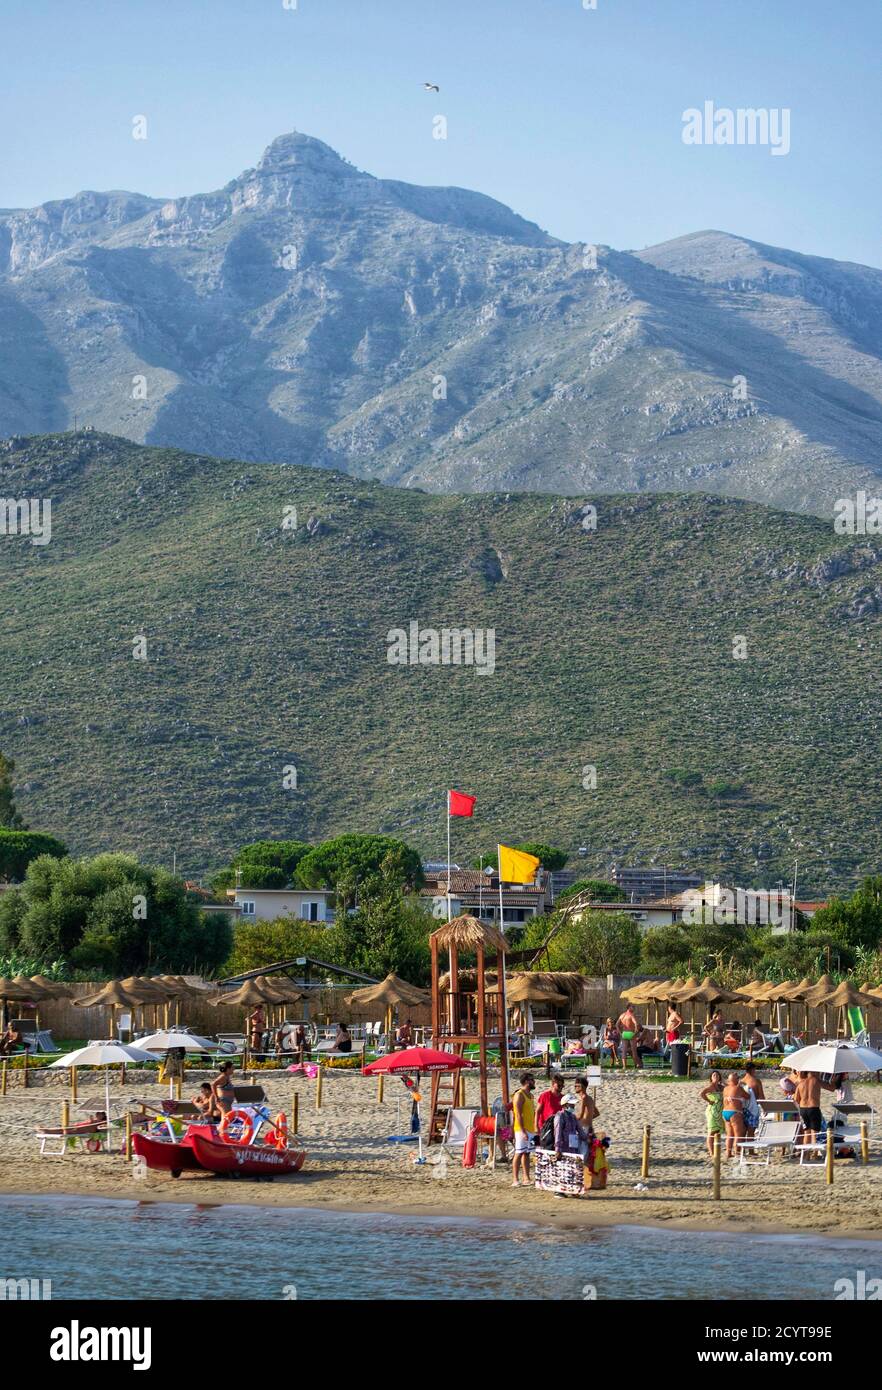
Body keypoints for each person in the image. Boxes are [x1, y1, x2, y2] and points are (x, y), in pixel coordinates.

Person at [553, 1093, 590, 1195]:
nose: (573, 1107)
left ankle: (569, 1189)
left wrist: (588, 1139)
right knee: (562, 1168)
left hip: (572, 1147)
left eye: (573, 1105)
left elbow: (580, 1131)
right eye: (571, 1105)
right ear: (565, 1105)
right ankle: (559, 1191)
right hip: (563, 1147)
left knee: (571, 1168)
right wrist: (558, 1149)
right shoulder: (559, 1116)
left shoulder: (573, 1117)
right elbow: (558, 1133)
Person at [511, 1072, 537, 1187]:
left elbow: (532, 1112)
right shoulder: (519, 1094)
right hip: (521, 1129)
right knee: (519, 1152)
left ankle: (526, 1177)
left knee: (526, 1153)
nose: (534, 1082)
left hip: (530, 1128)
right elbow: (518, 1114)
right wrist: (522, 1131)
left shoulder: (530, 1096)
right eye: (532, 1080)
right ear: (527, 1081)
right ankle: (515, 1179)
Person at [794, 1071, 824, 1151]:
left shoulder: (801, 1083)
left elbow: (796, 1100)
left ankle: (806, 1156)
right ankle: (815, 1154)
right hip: (813, 1108)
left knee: (806, 1133)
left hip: (803, 1110)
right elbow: (832, 1088)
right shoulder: (817, 1081)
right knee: (814, 1134)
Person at [722, 1071, 749, 1158]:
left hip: (725, 1112)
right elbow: (748, 1096)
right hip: (735, 1112)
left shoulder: (725, 1089)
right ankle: (737, 1152)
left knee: (729, 1135)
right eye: (737, 1078)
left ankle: (728, 1153)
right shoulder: (738, 1088)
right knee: (738, 1134)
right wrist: (741, 1086)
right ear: (736, 1080)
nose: (739, 1079)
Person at [700, 1069, 725, 1158]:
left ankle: (715, 1151)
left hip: (720, 1112)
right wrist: (709, 1101)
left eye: (717, 1075)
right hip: (712, 1111)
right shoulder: (710, 1087)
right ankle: (711, 1152)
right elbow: (702, 1094)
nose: (716, 1076)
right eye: (714, 1075)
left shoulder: (721, 1087)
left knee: (717, 1131)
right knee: (712, 1131)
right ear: (711, 1077)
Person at [535, 1073, 565, 1141]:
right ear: (553, 1084)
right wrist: (536, 1126)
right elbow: (537, 1111)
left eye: (562, 1086)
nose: (561, 1087)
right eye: (559, 1085)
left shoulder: (563, 1098)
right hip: (545, 1127)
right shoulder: (544, 1095)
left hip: (558, 1128)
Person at [741, 1062, 765, 1136]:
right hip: (753, 1110)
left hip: (742, 1109)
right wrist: (765, 1108)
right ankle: (750, 1148)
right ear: (752, 1070)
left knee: (742, 1133)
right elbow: (761, 1097)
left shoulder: (741, 1081)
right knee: (751, 1134)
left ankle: (743, 1147)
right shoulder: (756, 1082)